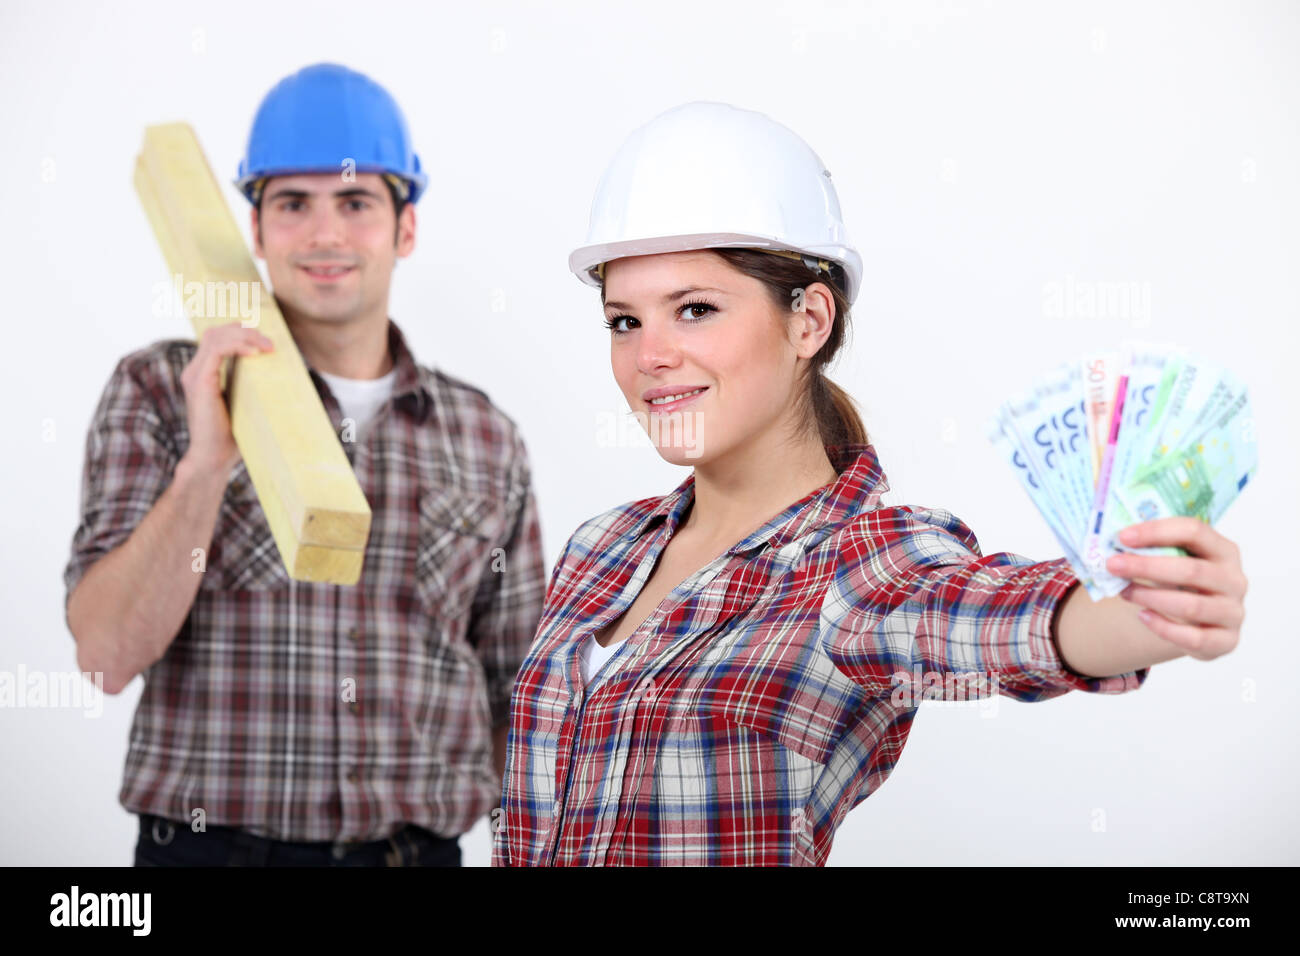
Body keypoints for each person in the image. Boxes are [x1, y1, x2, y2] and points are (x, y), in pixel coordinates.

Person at [490, 101, 1247, 866]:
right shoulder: (601, 548)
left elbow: (996, 619)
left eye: (694, 310)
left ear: (809, 321)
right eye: (625, 321)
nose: (649, 355)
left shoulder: (862, 564)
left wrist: (1148, 609)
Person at [64, 63, 547, 866]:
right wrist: (207, 464)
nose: (325, 235)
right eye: (292, 204)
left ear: (406, 228)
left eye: (356, 203)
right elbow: (106, 652)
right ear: (254, 231)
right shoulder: (160, 390)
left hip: (414, 856)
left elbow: (522, 694)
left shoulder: (485, 436)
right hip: (208, 856)